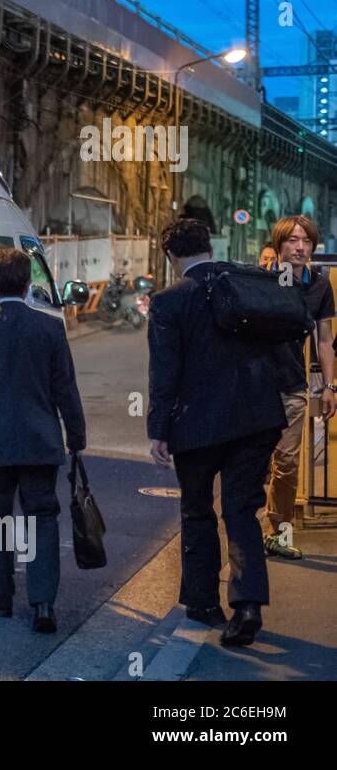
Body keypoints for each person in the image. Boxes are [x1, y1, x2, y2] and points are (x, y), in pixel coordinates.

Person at [147, 219, 286, 647]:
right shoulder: (247, 284)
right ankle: (247, 605)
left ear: (172, 256)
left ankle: (204, 602)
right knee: (242, 509)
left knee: (196, 509)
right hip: (257, 417)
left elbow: (165, 372)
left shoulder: (170, 301)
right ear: (209, 247)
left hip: (198, 424)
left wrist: (159, 428)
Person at [0, 247, 86, 633]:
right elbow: (65, 387)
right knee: (42, 517)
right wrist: (76, 435)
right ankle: (43, 605)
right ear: (28, 283)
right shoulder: (49, 326)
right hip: (40, 440)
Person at [263, 215, 336, 560]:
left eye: (306, 241)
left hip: (293, 385)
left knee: (287, 462)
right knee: (254, 459)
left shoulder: (320, 285)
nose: (300, 247)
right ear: (279, 244)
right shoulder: (261, 279)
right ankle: (245, 526)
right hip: (256, 385)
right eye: (293, 240)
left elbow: (325, 339)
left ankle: (278, 531)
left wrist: (329, 386)